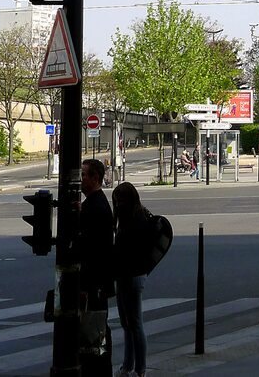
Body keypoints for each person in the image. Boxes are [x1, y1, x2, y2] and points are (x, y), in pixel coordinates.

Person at [112, 182, 151, 377]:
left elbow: (126, 250)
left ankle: (139, 368)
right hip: (129, 274)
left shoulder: (135, 219)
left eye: (120, 200)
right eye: (116, 200)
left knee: (134, 323)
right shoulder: (135, 216)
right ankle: (128, 366)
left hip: (132, 275)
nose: (118, 204)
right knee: (129, 324)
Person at [80, 158, 115, 375]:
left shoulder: (95, 208)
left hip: (94, 284)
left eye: (84, 175)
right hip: (98, 282)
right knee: (97, 329)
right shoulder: (96, 203)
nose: (81, 179)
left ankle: (98, 371)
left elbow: (92, 252)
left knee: (94, 331)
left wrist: (85, 286)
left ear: (95, 178)